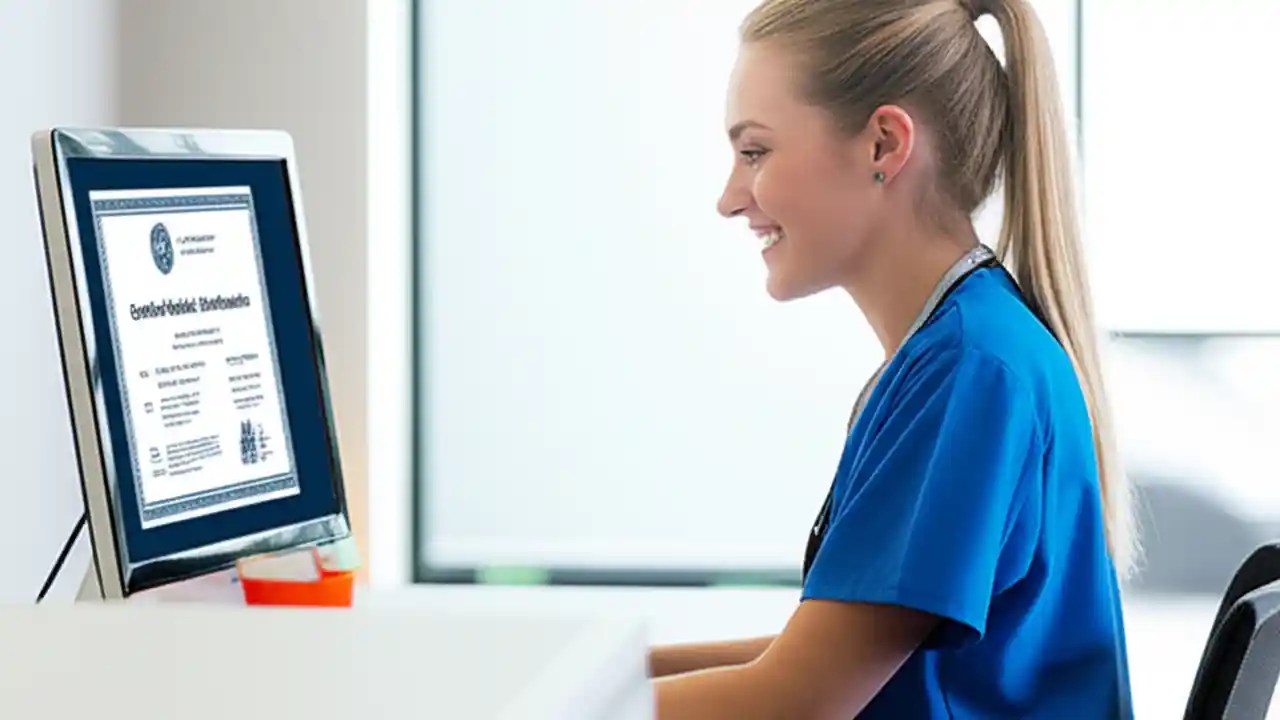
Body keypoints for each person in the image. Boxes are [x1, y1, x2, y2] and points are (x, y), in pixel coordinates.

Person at [649, 0, 1134, 717]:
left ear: (883, 144)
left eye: (755, 152)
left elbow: (796, 701)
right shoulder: (969, 347)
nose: (729, 199)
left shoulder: (970, 373)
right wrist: (603, 669)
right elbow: (814, 661)